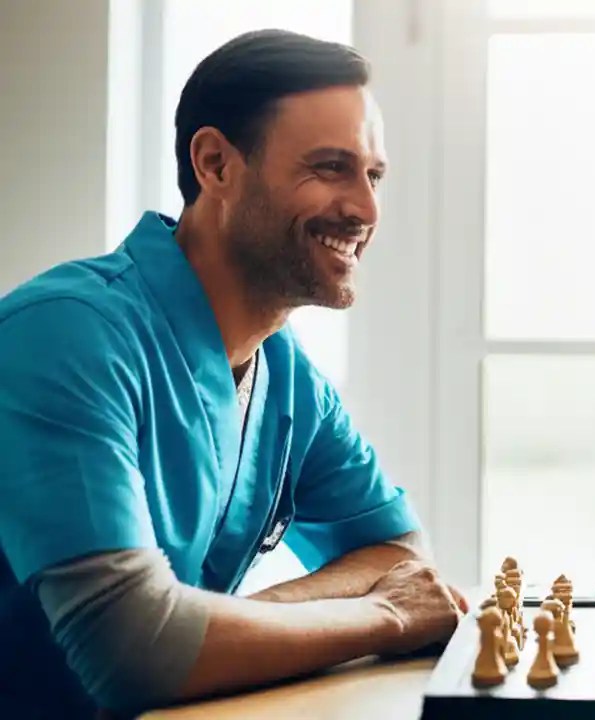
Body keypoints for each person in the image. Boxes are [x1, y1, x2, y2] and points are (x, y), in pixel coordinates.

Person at [0, 30, 467, 718]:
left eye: (373, 175)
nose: (366, 210)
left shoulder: (284, 371)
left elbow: (396, 553)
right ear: (216, 163)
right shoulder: (63, 333)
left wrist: (206, 625)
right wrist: (386, 619)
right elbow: (133, 651)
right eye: (330, 167)